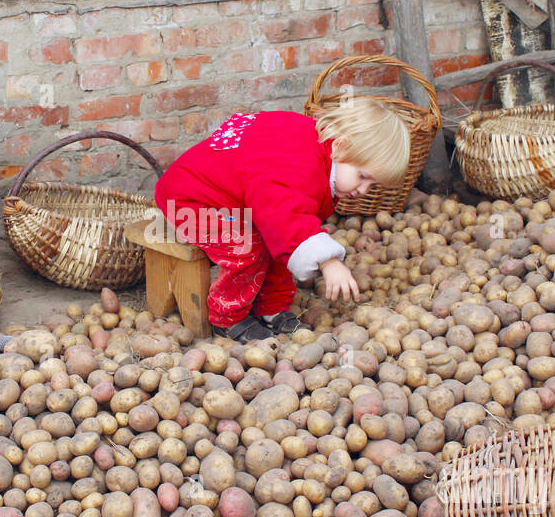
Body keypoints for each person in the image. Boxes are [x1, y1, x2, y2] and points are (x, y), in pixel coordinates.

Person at [152, 98, 411, 341]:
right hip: (190, 199)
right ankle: (227, 317)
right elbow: (287, 218)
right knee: (247, 247)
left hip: (235, 195)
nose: (362, 190)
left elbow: (284, 222)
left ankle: (272, 306)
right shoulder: (298, 167)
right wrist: (328, 261)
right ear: (341, 146)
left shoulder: (320, 153)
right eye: (363, 177)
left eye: (372, 184)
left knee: (277, 237)